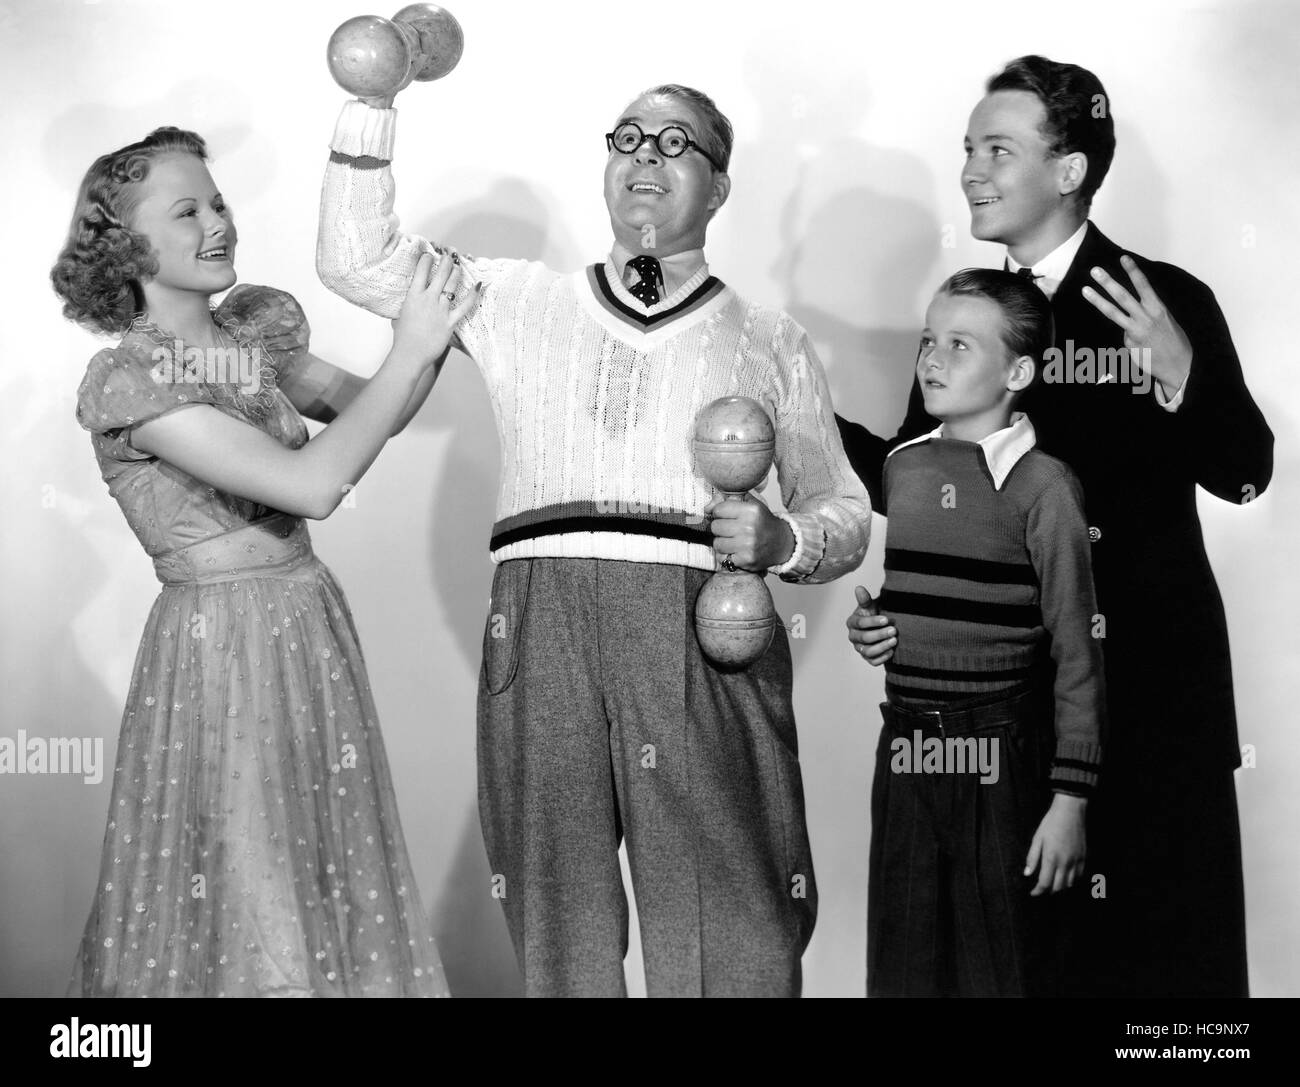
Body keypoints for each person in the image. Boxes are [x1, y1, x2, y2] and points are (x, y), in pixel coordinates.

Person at [317, 84, 870, 997]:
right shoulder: (515, 299)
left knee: (733, 915)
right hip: (542, 624)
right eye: (628, 138)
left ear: (720, 186)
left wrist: (782, 538)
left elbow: (843, 509)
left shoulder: (769, 339)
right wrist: (370, 101)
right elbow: (357, 258)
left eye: (676, 143)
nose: (645, 156)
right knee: (559, 913)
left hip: (702, 627)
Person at [840, 56, 1273, 997]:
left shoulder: (1158, 297)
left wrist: (1183, 371)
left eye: (998, 148)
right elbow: (908, 480)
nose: (970, 170)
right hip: (1019, 725)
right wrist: (790, 399)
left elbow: (1245, 472)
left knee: (1171, 999)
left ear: (1069, 170)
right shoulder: (979, 321)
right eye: (967, 149)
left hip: (1155, 709)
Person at [51, 126, 475, 996]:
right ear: (128, 246)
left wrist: (429, 334)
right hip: (219, 648)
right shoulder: (130, 381)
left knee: (320, 853)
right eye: (187, 211)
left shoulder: (254, 332)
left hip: (307, 624)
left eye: (219, 202)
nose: (218, 223)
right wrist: (414, 344)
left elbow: (374, 415)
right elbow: (313, 484)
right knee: (248, 870)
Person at [848, 268, 1103, 996]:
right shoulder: (903, 467)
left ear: (1017, 370)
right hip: (905, 748)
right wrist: (875, 626)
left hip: (1000, 756)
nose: (932, 358)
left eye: (960, 345)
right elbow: (920, 598)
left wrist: (1069, 801)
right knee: (903, 964)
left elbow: (1078, 649)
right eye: (929, 340)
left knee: (1000, 966)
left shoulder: (1044, 487)